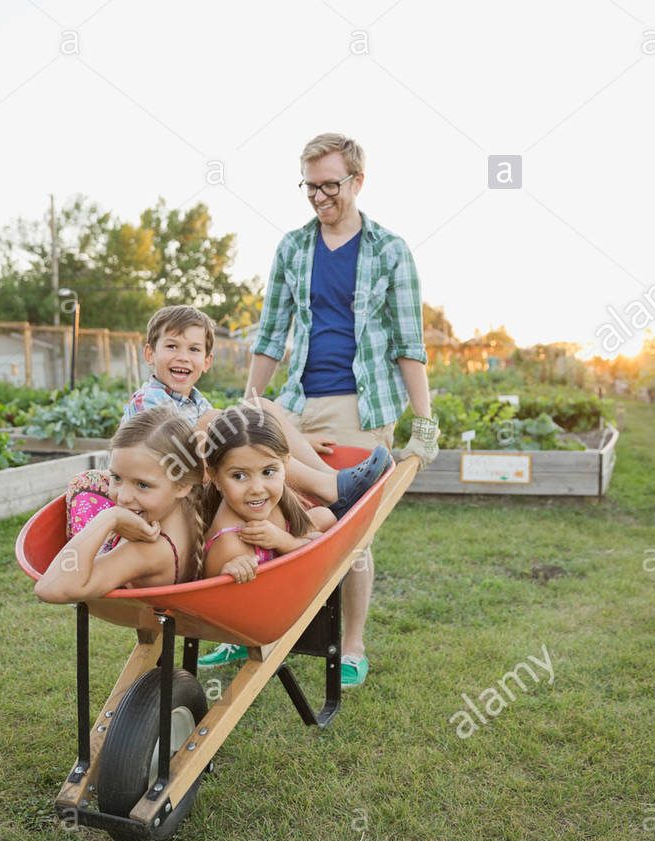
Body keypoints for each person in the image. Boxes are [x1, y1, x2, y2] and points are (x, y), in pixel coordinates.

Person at [232, 132, 440, 688]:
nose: (319, 197)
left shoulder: (389, 251)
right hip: (298, 405)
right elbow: (272, 333)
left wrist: (423, 420)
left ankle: (350, 645)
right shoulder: (293, 249)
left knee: (350, 533)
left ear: (358, 181)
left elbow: (408, 342)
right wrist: (253, 406)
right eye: (310, 186)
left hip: (360, 407)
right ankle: (250, 632)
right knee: (261, 510)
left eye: (330, 185)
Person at [122, 305, 391, 525]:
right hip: (170, 489)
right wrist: (220, 425)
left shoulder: (196, 401)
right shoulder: (149, 398)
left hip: (197, 481)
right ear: (149, 354)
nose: (182, 356)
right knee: (231, 421)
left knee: (258, 406)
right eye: (171, 346)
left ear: (206, 362)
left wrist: (293, 441)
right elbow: (172, 457)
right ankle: (333, 489)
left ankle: (334, 480)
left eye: (193, 349)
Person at [34, 407, 204, 603]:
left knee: (84, 482)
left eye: (143, 484)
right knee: (91, 479)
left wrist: (110, 518)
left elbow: (49, 588)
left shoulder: (148, 551)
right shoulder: (190, 498)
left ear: (182, 486)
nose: (122, 498)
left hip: (91, 571)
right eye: (117, 477)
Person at [201, 409, 336, 584]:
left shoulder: (270, 502)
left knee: (325, 516)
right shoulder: (231, 546)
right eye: (239, 476)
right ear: (215, 477)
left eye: (268, 472)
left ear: (285, 465)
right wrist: (292, 544)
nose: (257, 488)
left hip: (285, 581)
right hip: (264, 602)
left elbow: (327, 528)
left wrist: (286, 542)